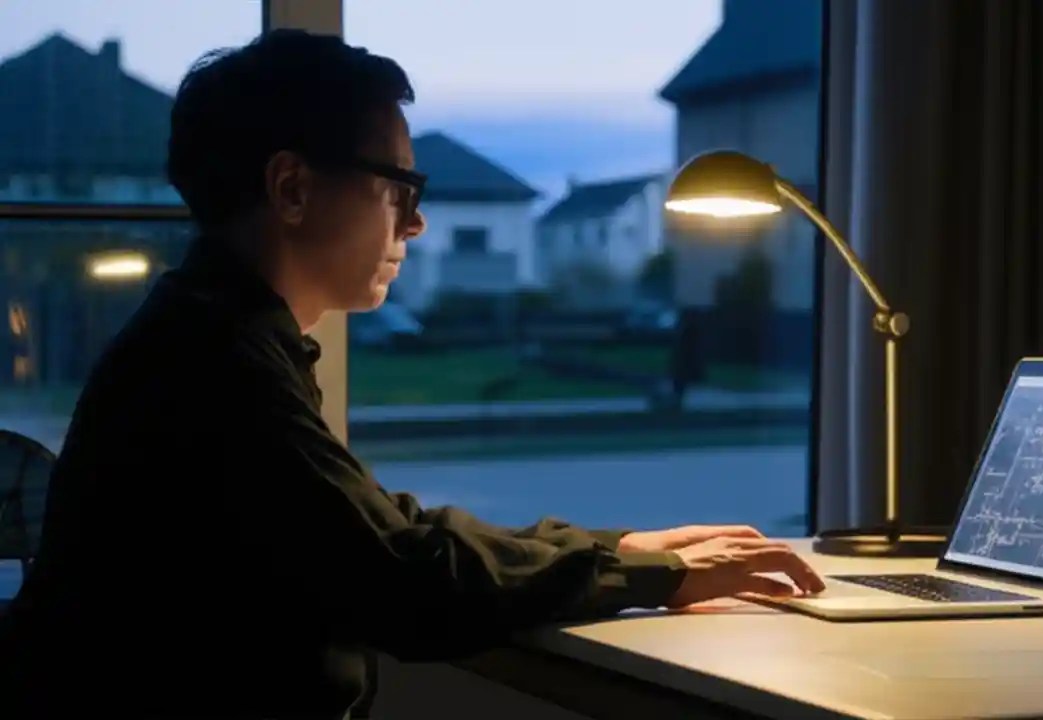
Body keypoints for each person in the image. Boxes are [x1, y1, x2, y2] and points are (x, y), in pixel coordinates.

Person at [0, 30, 824, 719]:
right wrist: (653, 575)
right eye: (399, 187)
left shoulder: (216, 334)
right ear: (291, 188)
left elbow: (380, 529)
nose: (418, 222)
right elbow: (402, 581)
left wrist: (616, 548)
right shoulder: (216, 366)